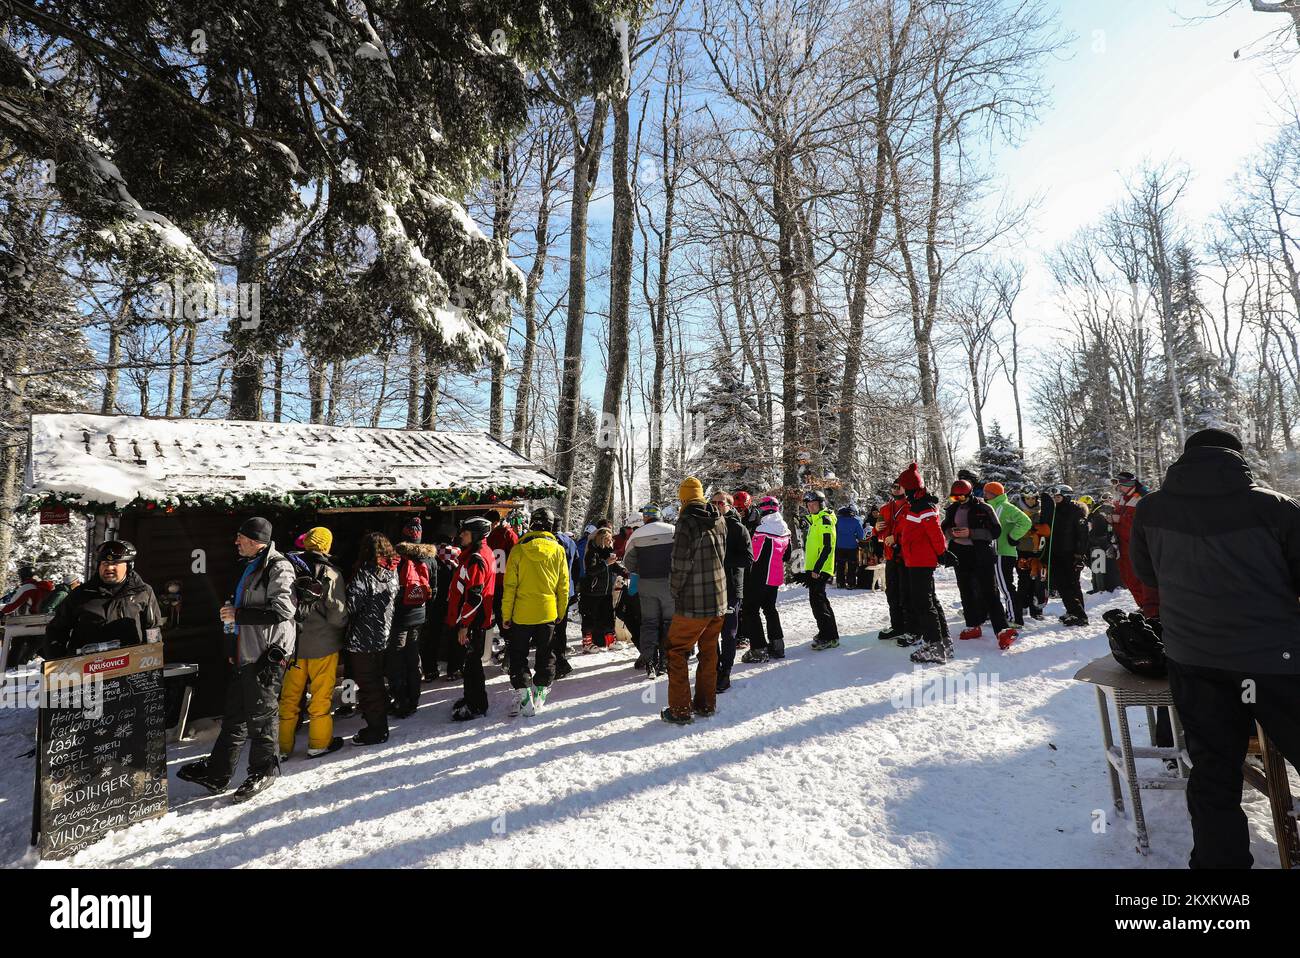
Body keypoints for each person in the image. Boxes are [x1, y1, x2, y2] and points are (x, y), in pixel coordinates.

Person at [1130, 428, 1300, 869]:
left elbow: (1148, 573)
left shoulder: (1150, 509)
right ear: (1236, 459)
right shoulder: (1276, 506)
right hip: (1272, 659)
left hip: (1196, 657)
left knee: (1213, 771)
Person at [178, 517, 296, 802]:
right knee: (234, 717)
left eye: (241, 537)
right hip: (245, 652)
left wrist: (238, 615)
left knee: (262, 715)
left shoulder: (278, 567)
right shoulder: (252, 565)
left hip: (266, 654)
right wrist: (232, 618)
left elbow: (283, 610)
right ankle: (218, 773)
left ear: (256, 540)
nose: (236, 542)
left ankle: (265, 770)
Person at [661, 477, 727, 724]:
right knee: (709, 651)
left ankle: (680, 710)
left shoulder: (686, 521)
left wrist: (675, 590)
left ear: (684, 498)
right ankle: (706, 704)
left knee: (676, 651)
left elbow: (680, 564)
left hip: (693, 602)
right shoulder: (719, 518)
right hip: (718, 599)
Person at [278, 526, 347, 759]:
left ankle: (282, 747)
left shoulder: (287, 567)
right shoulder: (330, 573)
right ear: (326, 546)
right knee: (320, 697)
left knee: (288, 699)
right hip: (323, 646)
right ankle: (318, 743)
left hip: (293, 645)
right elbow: (337, 615)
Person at [501, 507, 569, 717]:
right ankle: (539, 693)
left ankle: (523, 693)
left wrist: (506, 615)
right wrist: (560, 611)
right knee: (546, 653)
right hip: (547, 612)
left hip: (521, 613)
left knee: (518, 654)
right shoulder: (557, 550)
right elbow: (563, 586)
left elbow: (509, 586)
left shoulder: (518, 549)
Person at [44, 541, 162, 658]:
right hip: (86, 666)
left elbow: (152, 628)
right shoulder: (80, 594)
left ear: (129, 566)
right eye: (105, 563)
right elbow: (56, 630)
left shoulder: (143, 592)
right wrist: (57, 660)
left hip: (129, 664)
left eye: (115, 563)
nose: (109, 567)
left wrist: (151, 658)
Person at [942, 479, 1013, 646]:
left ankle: (1002, 630)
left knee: (989, 591)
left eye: (960, 497)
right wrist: (951, 532)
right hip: (960, 554)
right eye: (954, 498)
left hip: (981, 554)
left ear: (969, 494)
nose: (957, 500)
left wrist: (971, 532)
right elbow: (944, 527)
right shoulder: (952, 509)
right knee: (966, 591)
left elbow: (995, 531)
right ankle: (973, 625)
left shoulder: (984, 508)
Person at [896, 464, 953, 665]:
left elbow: (935, 533)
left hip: (921, 561)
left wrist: (942, 552)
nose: (900, 490)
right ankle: (944, 643)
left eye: (902, 486)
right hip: (916, 559)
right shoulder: (916, 504)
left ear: (910, 487)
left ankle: (935, 646)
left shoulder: (923, 506)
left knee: (923, 603)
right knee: (930, 601)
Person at [448, 516, 497, 721]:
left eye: (465, 533)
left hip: (473, 620)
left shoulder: (476, 558)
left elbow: (475, 596)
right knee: (470, 663)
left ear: (476, 535)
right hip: (473, 619)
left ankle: (476, 704)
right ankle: (471, 697)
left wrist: (464, 625)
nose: (461, 536)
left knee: (472, 665)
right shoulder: (477, 554)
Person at [389, 517, 436, 718]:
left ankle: (400, 700)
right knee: (413, 655)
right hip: (419, 615)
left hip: (399, 616)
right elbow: (434, 590)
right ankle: (414, 698)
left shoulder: (396, 558)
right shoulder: (430, 559)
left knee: (396, 658)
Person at [623, 504, 675, 679]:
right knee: (668, 622)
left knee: (649, 623)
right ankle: (665, 662)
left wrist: (642, 568)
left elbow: (628, 563)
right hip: (669, 583)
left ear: (645, 517)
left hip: (646, 583)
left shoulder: (636, 535)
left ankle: (650, 662)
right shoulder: (672, 530)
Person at [741, 495, 789, 663]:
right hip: (775, 578)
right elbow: (787, 555)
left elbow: (753, 555)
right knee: (770, 609)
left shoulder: (762, 529)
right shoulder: (784, 528)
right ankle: (777, 645)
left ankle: (758, 648)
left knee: (750, 610)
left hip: (759, 577)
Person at [712, 490, 752, 693]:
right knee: (711, 632)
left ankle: (725, 672)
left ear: (730, 506)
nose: (717, 506)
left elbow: (748, 558)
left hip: (731, 588)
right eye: (714, 502)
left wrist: (722, 560)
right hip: (711, 588)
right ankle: (714, 668)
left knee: (728, 633)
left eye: (721, 503)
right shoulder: (708, 526)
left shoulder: (738, 528)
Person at [983, 480, 1031, 646]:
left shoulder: (1006, 507)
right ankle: (1006, 614)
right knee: (999, 586)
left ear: (994, 493)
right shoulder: (992, 507)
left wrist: (1012, 537)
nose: (985, 494)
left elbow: (1026, 522)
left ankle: (1014, 618)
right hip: (996, 553)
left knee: (1005, 586)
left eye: (987, 492)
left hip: (1004, 553)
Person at [1111, 470, 1160, 619]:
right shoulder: (1122, 498)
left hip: (1137, 544)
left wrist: (1118, 519)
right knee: (1128, 578)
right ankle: (1142, 605)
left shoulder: (1142, 497)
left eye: (1119, 484)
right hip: (1123, 544)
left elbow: (1141, 522)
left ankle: (1152, 609)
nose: (1118, 488)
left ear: (1127, 484)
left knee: (1141, 577)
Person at [876, 478, 914, 641]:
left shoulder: (911, 507)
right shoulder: (885, 508)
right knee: (891, 592)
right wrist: (877, 530)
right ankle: (897, 626)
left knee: (906, 593)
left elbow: (913, 531)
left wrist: (896, 538)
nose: (896, 489)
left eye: (900, 487)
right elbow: (878, 532)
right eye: (894, 487)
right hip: (890, 556)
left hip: (907, 557)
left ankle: (910, 627)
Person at [1045, 485, 1089, 626]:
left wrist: (1079, 555)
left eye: (1059, 497)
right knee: (1062, 584)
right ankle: (1073, 611)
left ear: (1067, 496)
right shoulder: (1055, 511)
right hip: (1057, 553)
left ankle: (1080, 615)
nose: (1056, 499)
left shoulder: (1076, 511)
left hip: (1071, 555)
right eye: (1055, 497)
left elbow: (1083, 536)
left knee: (1070, 584)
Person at [802, 490, 840, 650]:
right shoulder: (815, 520)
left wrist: (817, 568)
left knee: (819, 602)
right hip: (815, 568)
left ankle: (829, 636)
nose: (811, 507)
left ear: (821, 504)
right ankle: (827, 632)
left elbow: (827, 547)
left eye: (814, 504)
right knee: (818, 601)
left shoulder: (824, 520)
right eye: (809, 505)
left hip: (821, 568)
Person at [578, 527, 626, 653]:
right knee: (590, 618)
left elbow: (613, 566)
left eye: (611, 539)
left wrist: (623, 571)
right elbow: (590, 570)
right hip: (592, 592)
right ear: (601, 539)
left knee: (608, 617)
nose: (610, 541)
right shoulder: (592, 552)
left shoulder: (608, 551)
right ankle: (587, 643)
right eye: (608, 539)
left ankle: (610, 641)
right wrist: (605, 563)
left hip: (605, 591)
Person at [1014, 486, 1047, 620]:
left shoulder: (1041, 512)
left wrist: (1038, 529)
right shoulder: (1018, 512)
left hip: (1038, 551)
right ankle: (1021, 606)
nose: (1031, 501)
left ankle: (1036, 609)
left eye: (1033, 498)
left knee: (1037, 581)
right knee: (1023, 580)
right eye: (1028, 498)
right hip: (1022, 550)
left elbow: (1046, 529)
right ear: (1023, 498)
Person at [834, 505, 864, 589]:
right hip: (852, 547)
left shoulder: (837, 521)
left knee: (840, 565)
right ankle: (851, 583)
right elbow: (861, 535)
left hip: (839, 546)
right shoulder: (856, 521)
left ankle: (840, 583)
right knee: (852, 566)